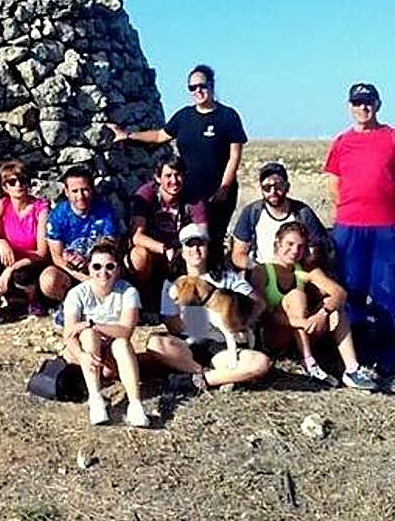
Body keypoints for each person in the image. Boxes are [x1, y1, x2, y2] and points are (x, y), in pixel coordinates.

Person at [108, 64, 246, 253]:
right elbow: (159, 136)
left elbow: (234, 156)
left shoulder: (228, 116)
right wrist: (128, 135)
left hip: (218, 192)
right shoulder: (184, 116)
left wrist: (224, 188)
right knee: (189, 239)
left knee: (212, 241)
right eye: (192, 87)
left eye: (202, 86)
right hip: (189, 192)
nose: (198, 91)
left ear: (212, 85)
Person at [249, 222, 379, 390]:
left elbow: (339, 293)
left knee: (336, 309)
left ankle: (352, 369)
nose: (295, 251)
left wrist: (321, 315)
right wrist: (303, 322)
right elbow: (263, 315)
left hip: (305, 331)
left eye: (300, 247)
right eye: (290, 244)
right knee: (296, 296)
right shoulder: (262, 271)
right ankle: (309, 362)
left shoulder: (305, 270)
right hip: (277, 334)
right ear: (278, 243)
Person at [323, 82, 395, 380]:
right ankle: (356, 356)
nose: (362, 108)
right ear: (349, 106)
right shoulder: (342, 141)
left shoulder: (391, 138)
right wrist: (349, 209)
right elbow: (333, 181)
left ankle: (388, 357)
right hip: (350, 226)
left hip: (386, 227)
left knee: (386, 292)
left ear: (378, 104)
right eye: (357, 103)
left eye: (368, 102)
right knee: (351, 290)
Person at [149, 223, 271, 393]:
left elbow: (258, 304)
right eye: (189, 244)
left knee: (260, 363)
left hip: (220, 344)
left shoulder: (227, 277)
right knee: (155, 343)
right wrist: (190, 314)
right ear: (182, 251)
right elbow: (172, 325)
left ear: (208, 248)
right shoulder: (172, 283)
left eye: (201, 244)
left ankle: (198, 380)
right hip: (187, 344)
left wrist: (237, 319)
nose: (195, 249)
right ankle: (211, 374)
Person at [60, 240, 151, 427]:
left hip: (112, 352)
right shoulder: (77, 293)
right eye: (97, 266)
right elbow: (69, 333)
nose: (103, 272)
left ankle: (135, 404)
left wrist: (93, 323)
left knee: (121, 343)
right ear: (89, 268)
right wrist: (82, 355)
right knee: (88, 335)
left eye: (110, 266)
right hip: (85, 351)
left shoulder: (128, 292)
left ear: (117, 269)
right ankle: (96, 398)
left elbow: (126, 331)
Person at [0, 159, 50, 327]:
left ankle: (33, 301)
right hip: (9, 255)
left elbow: (41, 252)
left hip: (31, 260)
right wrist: (2, 243)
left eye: (22, 180)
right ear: (5, 187)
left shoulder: (40, 209)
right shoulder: (1, 206)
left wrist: (10, 269)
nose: (18, 185)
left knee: (21, 275)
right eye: (12, 182)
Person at [125, 156, 207, 307]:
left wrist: (185, 251)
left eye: (178, 175)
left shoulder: (193, 196)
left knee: (200, 253)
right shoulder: (146, 194)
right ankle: (141, 301)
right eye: (168, 176)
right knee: (138, 255)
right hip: (156, 250)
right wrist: (164, 248)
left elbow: (203, 233)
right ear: (158, 178)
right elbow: (137, 236)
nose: (174, 181)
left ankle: (194, 302)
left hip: (182, 251)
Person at [41, 165, 120, 303]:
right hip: (70, 271)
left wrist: (95, 271)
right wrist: (83, 278)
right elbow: (57, 257)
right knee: (49, 280)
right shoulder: (58, 216)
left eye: (84, 190)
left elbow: (110, 245)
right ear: (66, 192)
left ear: (92, 189)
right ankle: (68, 304)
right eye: (75, 191)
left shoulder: (104, 211)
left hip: (98, 267)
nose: (80, 196)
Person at [231, 162, 330, 271]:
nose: (273, 192)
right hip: (262, 271)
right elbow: (238, 254)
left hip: (298, 270)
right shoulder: (251, 212)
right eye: (267, 187)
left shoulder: (303, 213)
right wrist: (260, 269)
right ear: (261, 189)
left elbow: (318, 251)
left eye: (278, 186)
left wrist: (299, 270)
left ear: (287, 187)